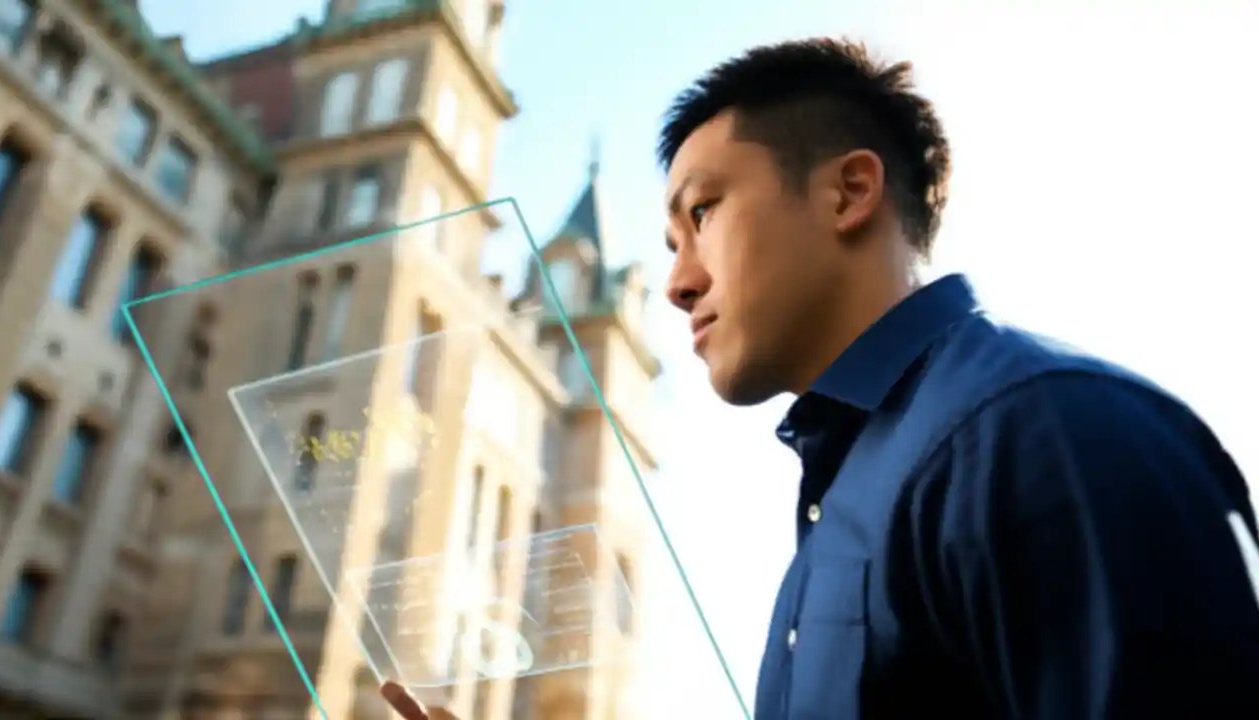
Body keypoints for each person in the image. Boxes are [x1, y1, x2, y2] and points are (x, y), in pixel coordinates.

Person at [385, 37, 1259, 719]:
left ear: (849, 193)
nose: (679, 282)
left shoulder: (1042, 432)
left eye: (702, 213)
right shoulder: (836, 512)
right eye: (670, 247)